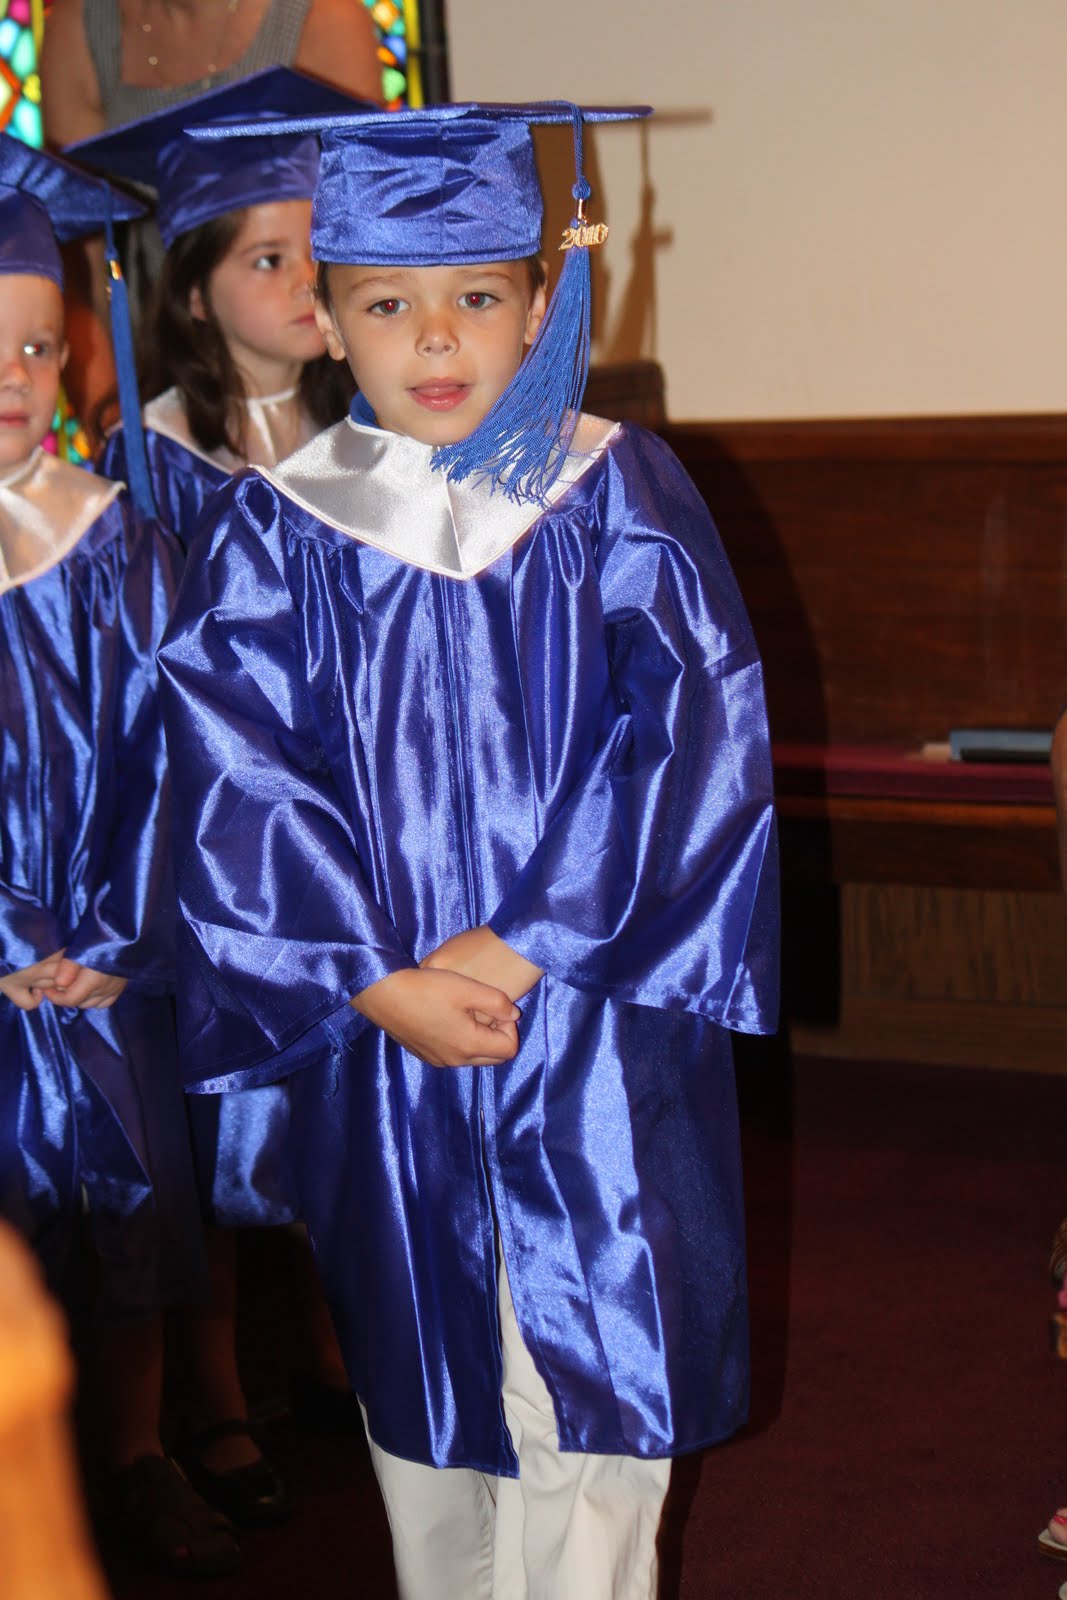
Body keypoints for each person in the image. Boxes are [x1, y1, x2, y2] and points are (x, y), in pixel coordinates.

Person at [158, 102, 780, 1600]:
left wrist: (514, 948)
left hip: (586, 1024)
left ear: (538, 305)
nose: (435, 339)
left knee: (593, 1411)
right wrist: (371, 979)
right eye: (388, 304)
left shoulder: (611, 495)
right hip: (390, 1045)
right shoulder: (281, 535)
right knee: (424, 1421)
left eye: (477, 297)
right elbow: (234, 782)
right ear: (328, 318)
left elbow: (691, 744)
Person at [0, 134, 242, 1578]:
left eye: (36, 343)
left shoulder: (116, 543)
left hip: (104, 962)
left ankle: (140, 1454)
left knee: (139, 1224)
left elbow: (181, 757)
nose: (14, 375)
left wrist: (120, 935)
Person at [39, 0, 381, 439]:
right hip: (161, 357)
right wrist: (115, 426)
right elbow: (77, 252)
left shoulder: (323, 18)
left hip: (324, 377)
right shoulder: (84, 27)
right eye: (271, 259)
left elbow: (367, 222)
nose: (304, 278)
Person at [74, 68, 360, 541]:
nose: (308, 282)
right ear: (196, 296)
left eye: (318, 251)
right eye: (269, 260)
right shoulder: (155, 454)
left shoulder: (362, 420)